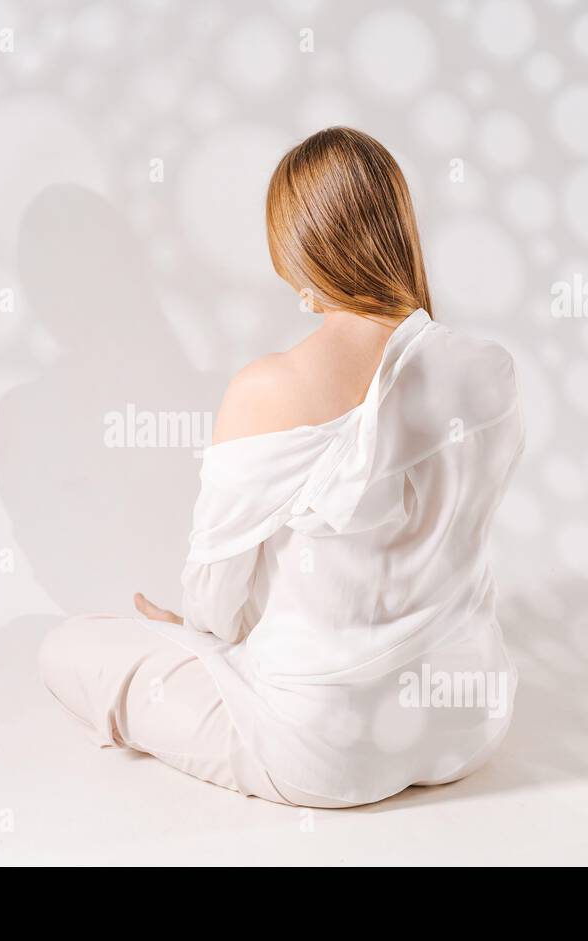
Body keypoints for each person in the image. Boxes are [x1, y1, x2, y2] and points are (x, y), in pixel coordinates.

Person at [39, 127, 525, 808]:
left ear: (297, 248)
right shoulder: (488, 372)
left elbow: (217, 607)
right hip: (470, 721)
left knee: (68, 645)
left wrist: (187, 635)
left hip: (323, 749)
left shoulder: (268, 388)